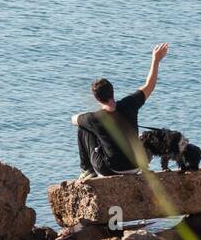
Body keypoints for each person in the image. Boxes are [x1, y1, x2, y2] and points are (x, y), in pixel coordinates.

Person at [72, 44, 168, 180]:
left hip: (111, 169)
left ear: (96, 98)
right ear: (113, 92)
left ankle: (87, 170)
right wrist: (156, 60)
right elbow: (149, 85)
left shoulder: (94, 118)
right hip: (136, 166)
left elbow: (73, 119)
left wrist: (85, 119)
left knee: (83, 128)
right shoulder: (130, 103)